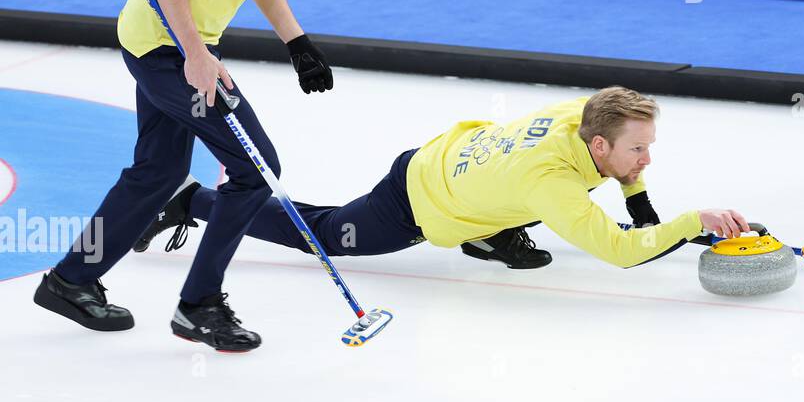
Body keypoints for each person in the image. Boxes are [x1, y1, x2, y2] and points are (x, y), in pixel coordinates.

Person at [34, 0, 358, 351]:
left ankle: (70, 280)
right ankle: (199, 306)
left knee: (158, 171)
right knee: (255, 168)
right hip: (165, 45)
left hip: (174, 43)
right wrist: (195, 54)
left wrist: (297, 42)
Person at [134, 88, 750, 286]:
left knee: (549, 198)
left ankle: (490, 233)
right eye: (638, 149)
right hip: (418, 199)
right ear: (598, 146)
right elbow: (620, 252)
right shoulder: (552, 183)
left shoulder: (586, 116)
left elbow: (628, 185)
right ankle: (190, 199)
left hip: (461, 163)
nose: (646, 157)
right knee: (322, 234)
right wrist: (691, 222)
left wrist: (644, 204)